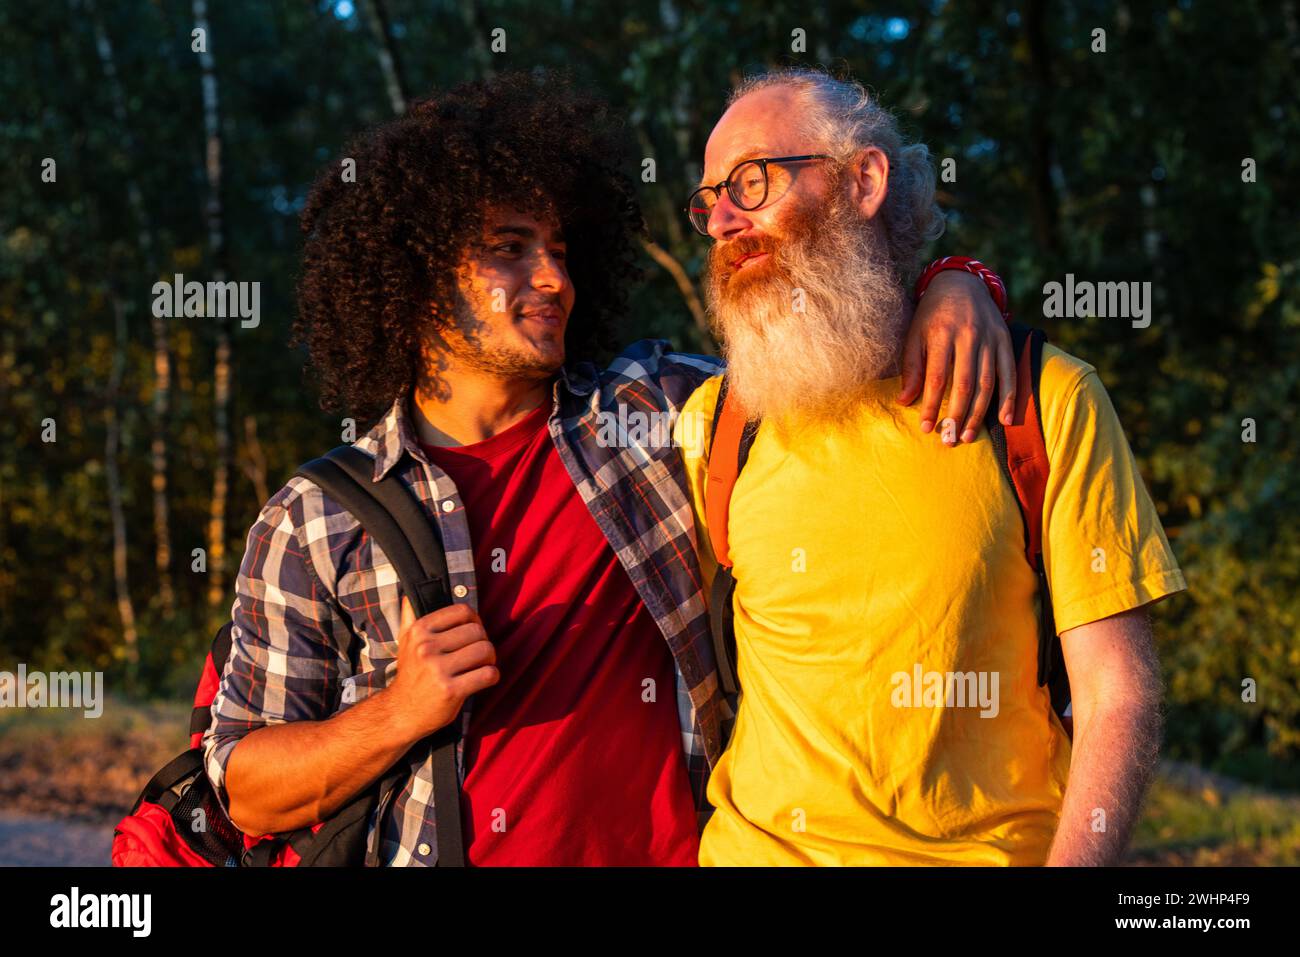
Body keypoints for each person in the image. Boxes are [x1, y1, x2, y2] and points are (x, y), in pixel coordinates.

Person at [202, 71, 1012, 866]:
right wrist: (396, 712)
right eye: (509, 251)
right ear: (414, 277)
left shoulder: (658, 412)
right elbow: (242, 786)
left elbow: (832, 338)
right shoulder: (315, 517)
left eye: (558, 249)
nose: (554, 278)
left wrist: (955, 282)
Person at [675, 68, 1187, 866]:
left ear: (864, 181)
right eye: (710, 199)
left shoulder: (1041, 400)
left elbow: (1116, 693)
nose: (722, 221)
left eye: (751, 181)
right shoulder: (714, 422)